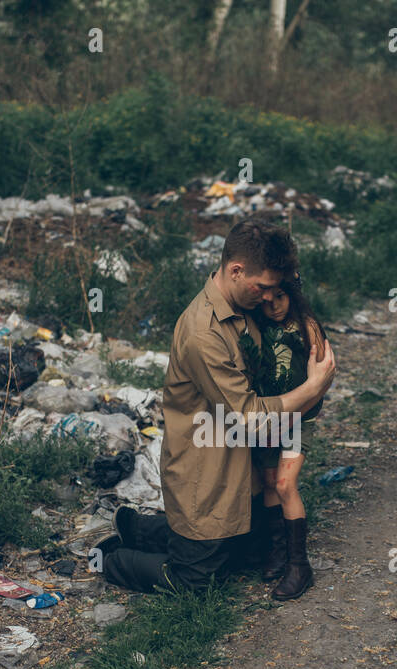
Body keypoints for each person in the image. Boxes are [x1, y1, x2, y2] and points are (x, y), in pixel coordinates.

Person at [99, 217, 336, 594]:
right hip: (208, 476)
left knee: (248, 555)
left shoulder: (247, 302)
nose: (267, 298)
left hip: (245, 472)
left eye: (275, 290)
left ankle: (135, 527)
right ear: (236, 270)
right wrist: (314, 388)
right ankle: (111, 558)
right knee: (195, 580)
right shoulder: (202, 333)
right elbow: (249, 419)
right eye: (263, 288)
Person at [245, 273, 328, 600]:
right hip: (267, 418)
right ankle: (276, 551)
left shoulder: (306, 326)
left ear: (291, 294)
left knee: (284, 484)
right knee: (268, 482)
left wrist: (302, 409)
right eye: (267, 301)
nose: (275, 306)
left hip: (297, 417)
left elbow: (322, 377)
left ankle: (299, 565)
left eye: (281, 297)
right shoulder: (257, 328)